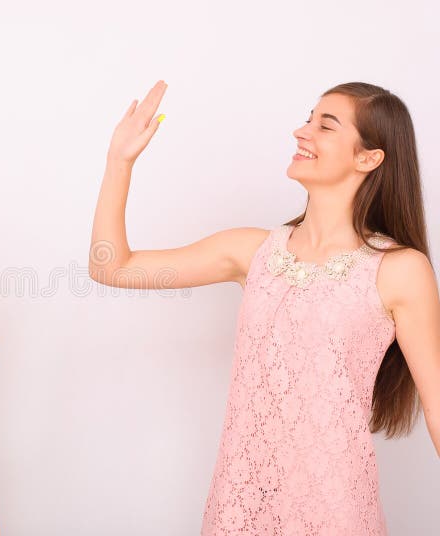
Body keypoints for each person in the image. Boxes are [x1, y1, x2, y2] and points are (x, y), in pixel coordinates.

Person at [89, 80, 439, 534]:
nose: (302, 131)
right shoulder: (251, 251)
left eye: (325, 125)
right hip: (238, 509)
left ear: (368, 158)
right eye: (307, 118)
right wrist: (119, 162)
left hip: (335, 510)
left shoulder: (398, 269)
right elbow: (112, 267)